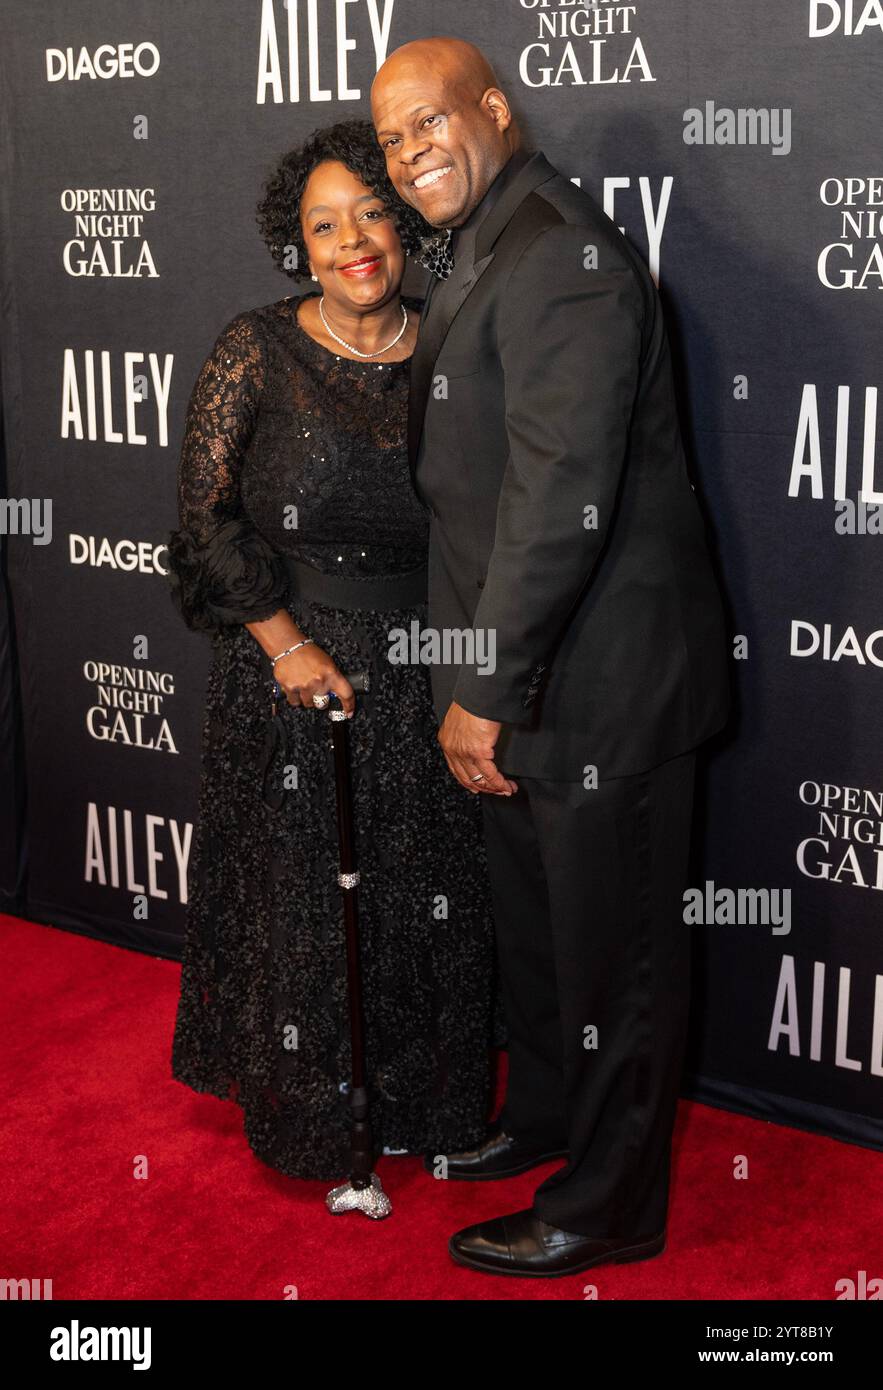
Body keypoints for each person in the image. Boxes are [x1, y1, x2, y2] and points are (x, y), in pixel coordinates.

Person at [371, 39, 731, 1275]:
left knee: (614, 958)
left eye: (428, 120)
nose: (410, 150)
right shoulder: (489, 237)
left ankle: (610, 1203)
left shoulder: (560, 256)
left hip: (601, 683)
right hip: (528, 675)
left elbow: (555, 497)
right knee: (537, 931)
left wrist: (482, 689)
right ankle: (542, 1122)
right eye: (390, 138)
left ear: (493, 108)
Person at [166, 118, 499, 1182]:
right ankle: (313, 1112)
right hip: (297, 675)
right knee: (309, 904)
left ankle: (424, 1099)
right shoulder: (252, 349)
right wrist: (285, 645)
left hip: (428, 671)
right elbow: (203, 522)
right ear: (294, 244)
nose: (351, 239)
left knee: (424, 892)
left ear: (405, 227)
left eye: (370, 213)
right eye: (323, 224)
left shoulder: (452, 346)